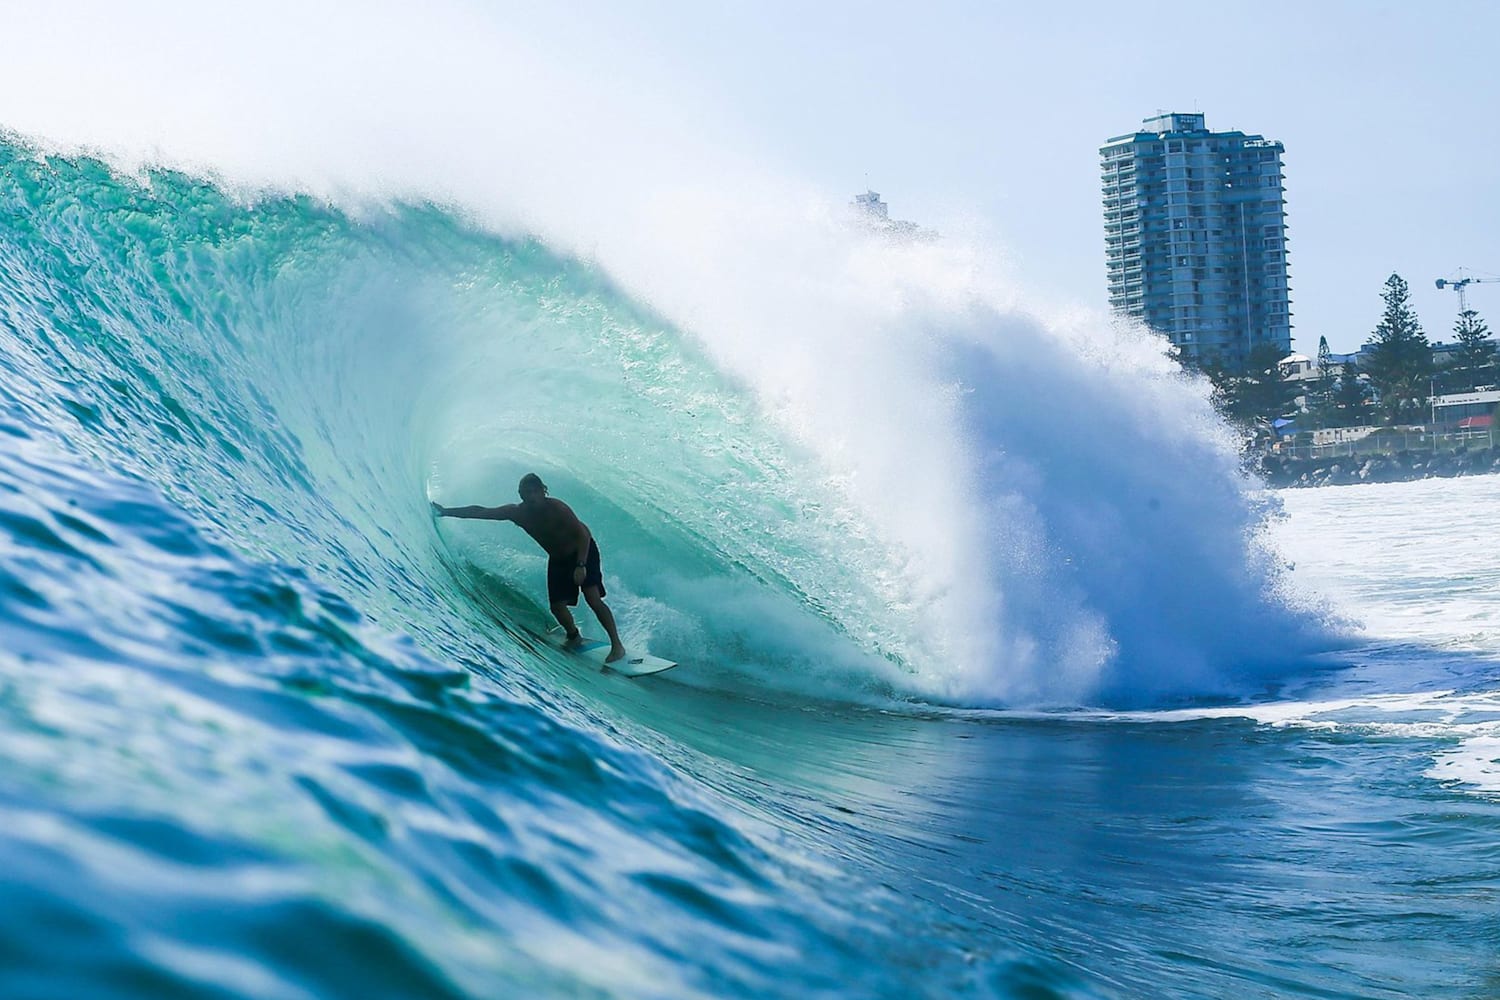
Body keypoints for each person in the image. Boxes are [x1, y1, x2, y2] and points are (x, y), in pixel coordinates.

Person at [432, 473, 628, 663]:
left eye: (535, 492)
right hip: (558, 559)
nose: (532, 497)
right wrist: (446, 511)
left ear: (543, 491)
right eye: (527, 493)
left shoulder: (558, 508)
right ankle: (573, 636)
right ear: (521, 494)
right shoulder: (517, 513)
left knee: (592, 597)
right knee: (557, 607)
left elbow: (583, 535)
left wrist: (581, 565)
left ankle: (617, 646)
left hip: (582, 552)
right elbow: (481, 511)